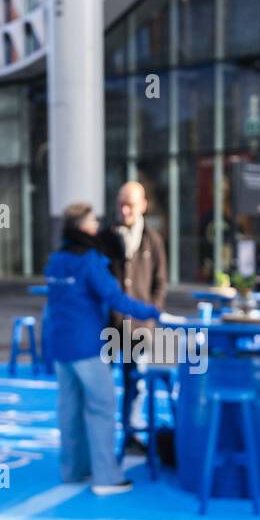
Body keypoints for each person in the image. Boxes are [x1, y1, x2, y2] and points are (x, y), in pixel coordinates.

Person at [46, 203, 161, 496]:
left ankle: (73, 470)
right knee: (101, 409)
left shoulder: (56, 260)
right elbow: (115, 298)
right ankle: (106, 477)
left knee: (69, 410)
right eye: (93, 221)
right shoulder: (90, 261)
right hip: (86, 347)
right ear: (83, 227)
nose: (97, 226)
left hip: (60, 348)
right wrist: (154, 312)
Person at [99, 181, 168, 454]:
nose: (124, 210)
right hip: (108, 325)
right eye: (120, 204)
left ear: (143, 205)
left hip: (140, 327)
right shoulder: (105, 239)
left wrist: (151, 311)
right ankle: (103, 439)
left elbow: (160, 282)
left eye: (130, 204)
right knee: (103, 386)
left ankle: (131, 434)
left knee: (136, 382)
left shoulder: (153, 240)